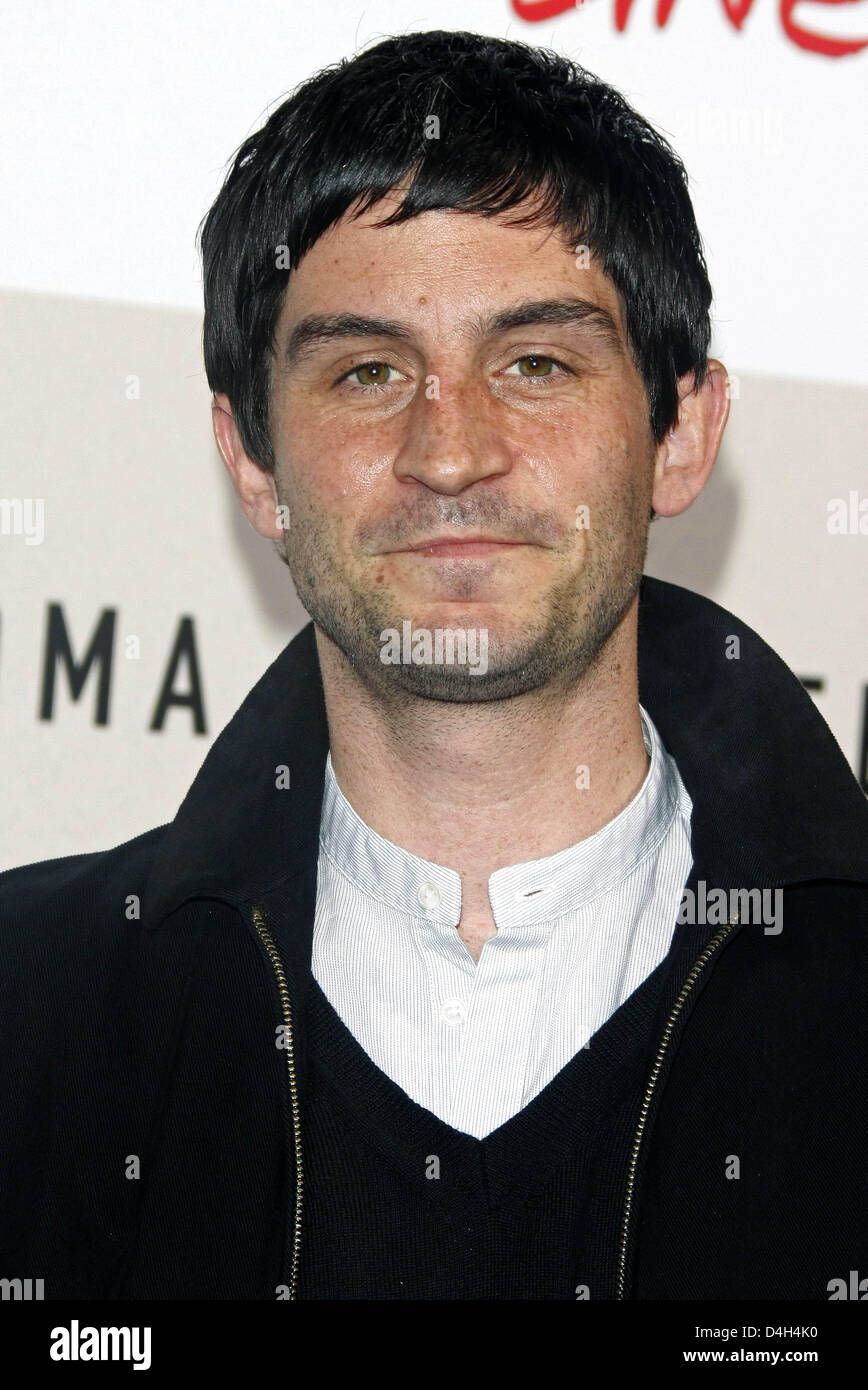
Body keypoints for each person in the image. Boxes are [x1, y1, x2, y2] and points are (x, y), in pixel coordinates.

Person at [1, 29, 866, 1303]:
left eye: (535, 362)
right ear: (254, 465)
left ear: (681, 433)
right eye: (367, 371)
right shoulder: (29, 1012)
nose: (450, 452)